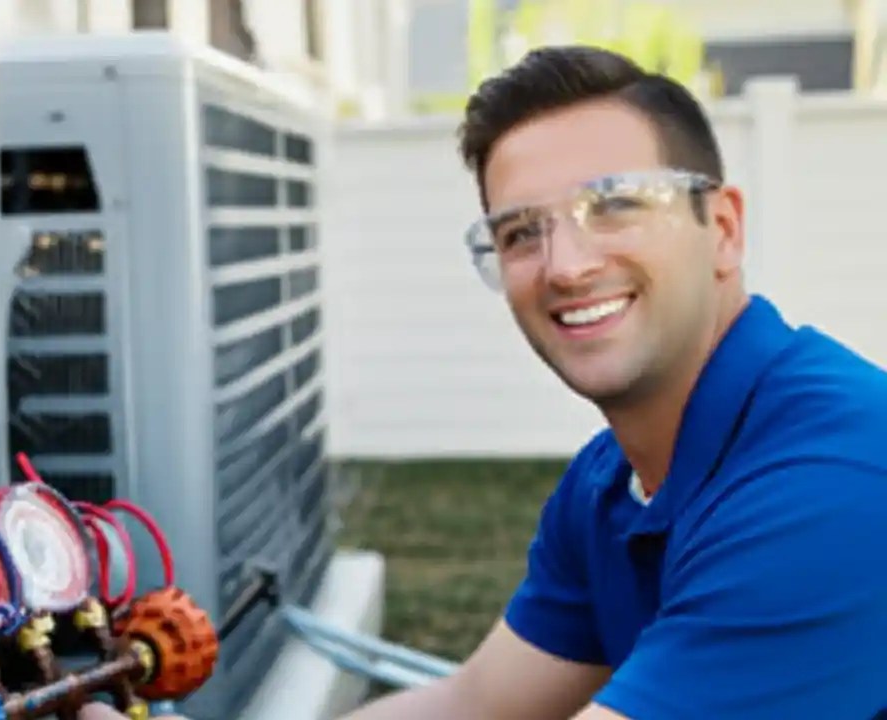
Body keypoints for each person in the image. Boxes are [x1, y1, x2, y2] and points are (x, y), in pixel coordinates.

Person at [83, 44, 887, 720]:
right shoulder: (609, 486)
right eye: (521, 232)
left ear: (724, 229)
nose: (565, 266)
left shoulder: (836, 480)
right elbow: (473, 703)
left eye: (614, 205)